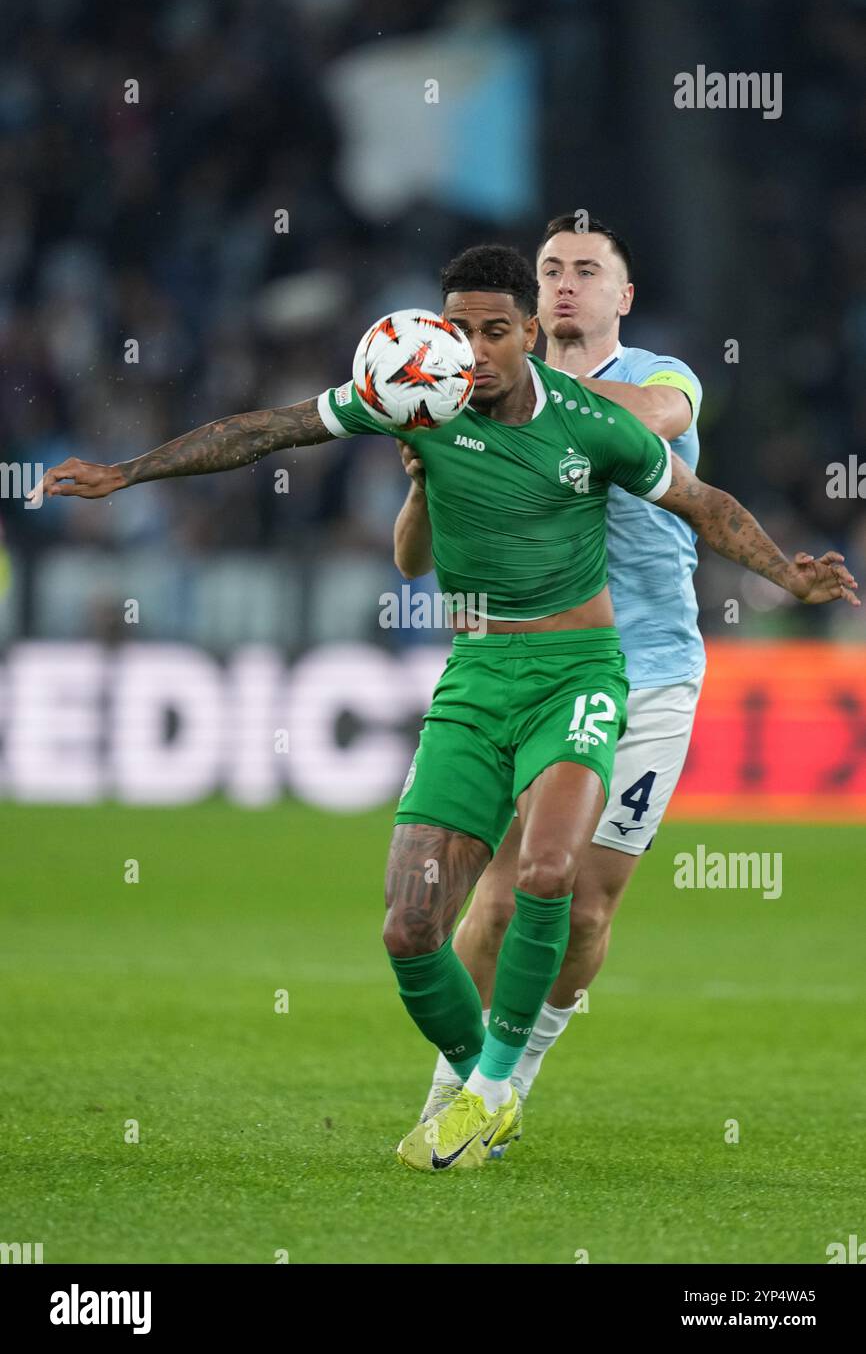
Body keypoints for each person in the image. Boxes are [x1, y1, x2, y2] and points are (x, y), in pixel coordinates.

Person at [30, 245, 858, 1174]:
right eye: (459, 330)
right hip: (476, 674)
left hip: (597, 671)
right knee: (412, 925)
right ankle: (481, 1091)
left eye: (494, 332)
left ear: (536, 332)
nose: (472, 349)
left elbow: (702, 498)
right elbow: (266, 431)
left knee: (557, 885)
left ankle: (496, 1089)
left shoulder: (616, 406)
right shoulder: (418, 395)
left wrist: (789, 572)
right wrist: (128, 473)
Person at [398, 216, 706, 1155]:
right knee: (491, 901)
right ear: (531, 308)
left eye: (587, 271)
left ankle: (514, 1076)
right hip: (538, 673)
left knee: (583, 908)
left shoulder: (667, 378)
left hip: (650, 680)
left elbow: (655, 421)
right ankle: (461, 1093)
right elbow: (421, 553)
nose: (566, 284)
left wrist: (529, 397)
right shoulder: (476, 402)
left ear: (624, 296)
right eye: (550, 272)